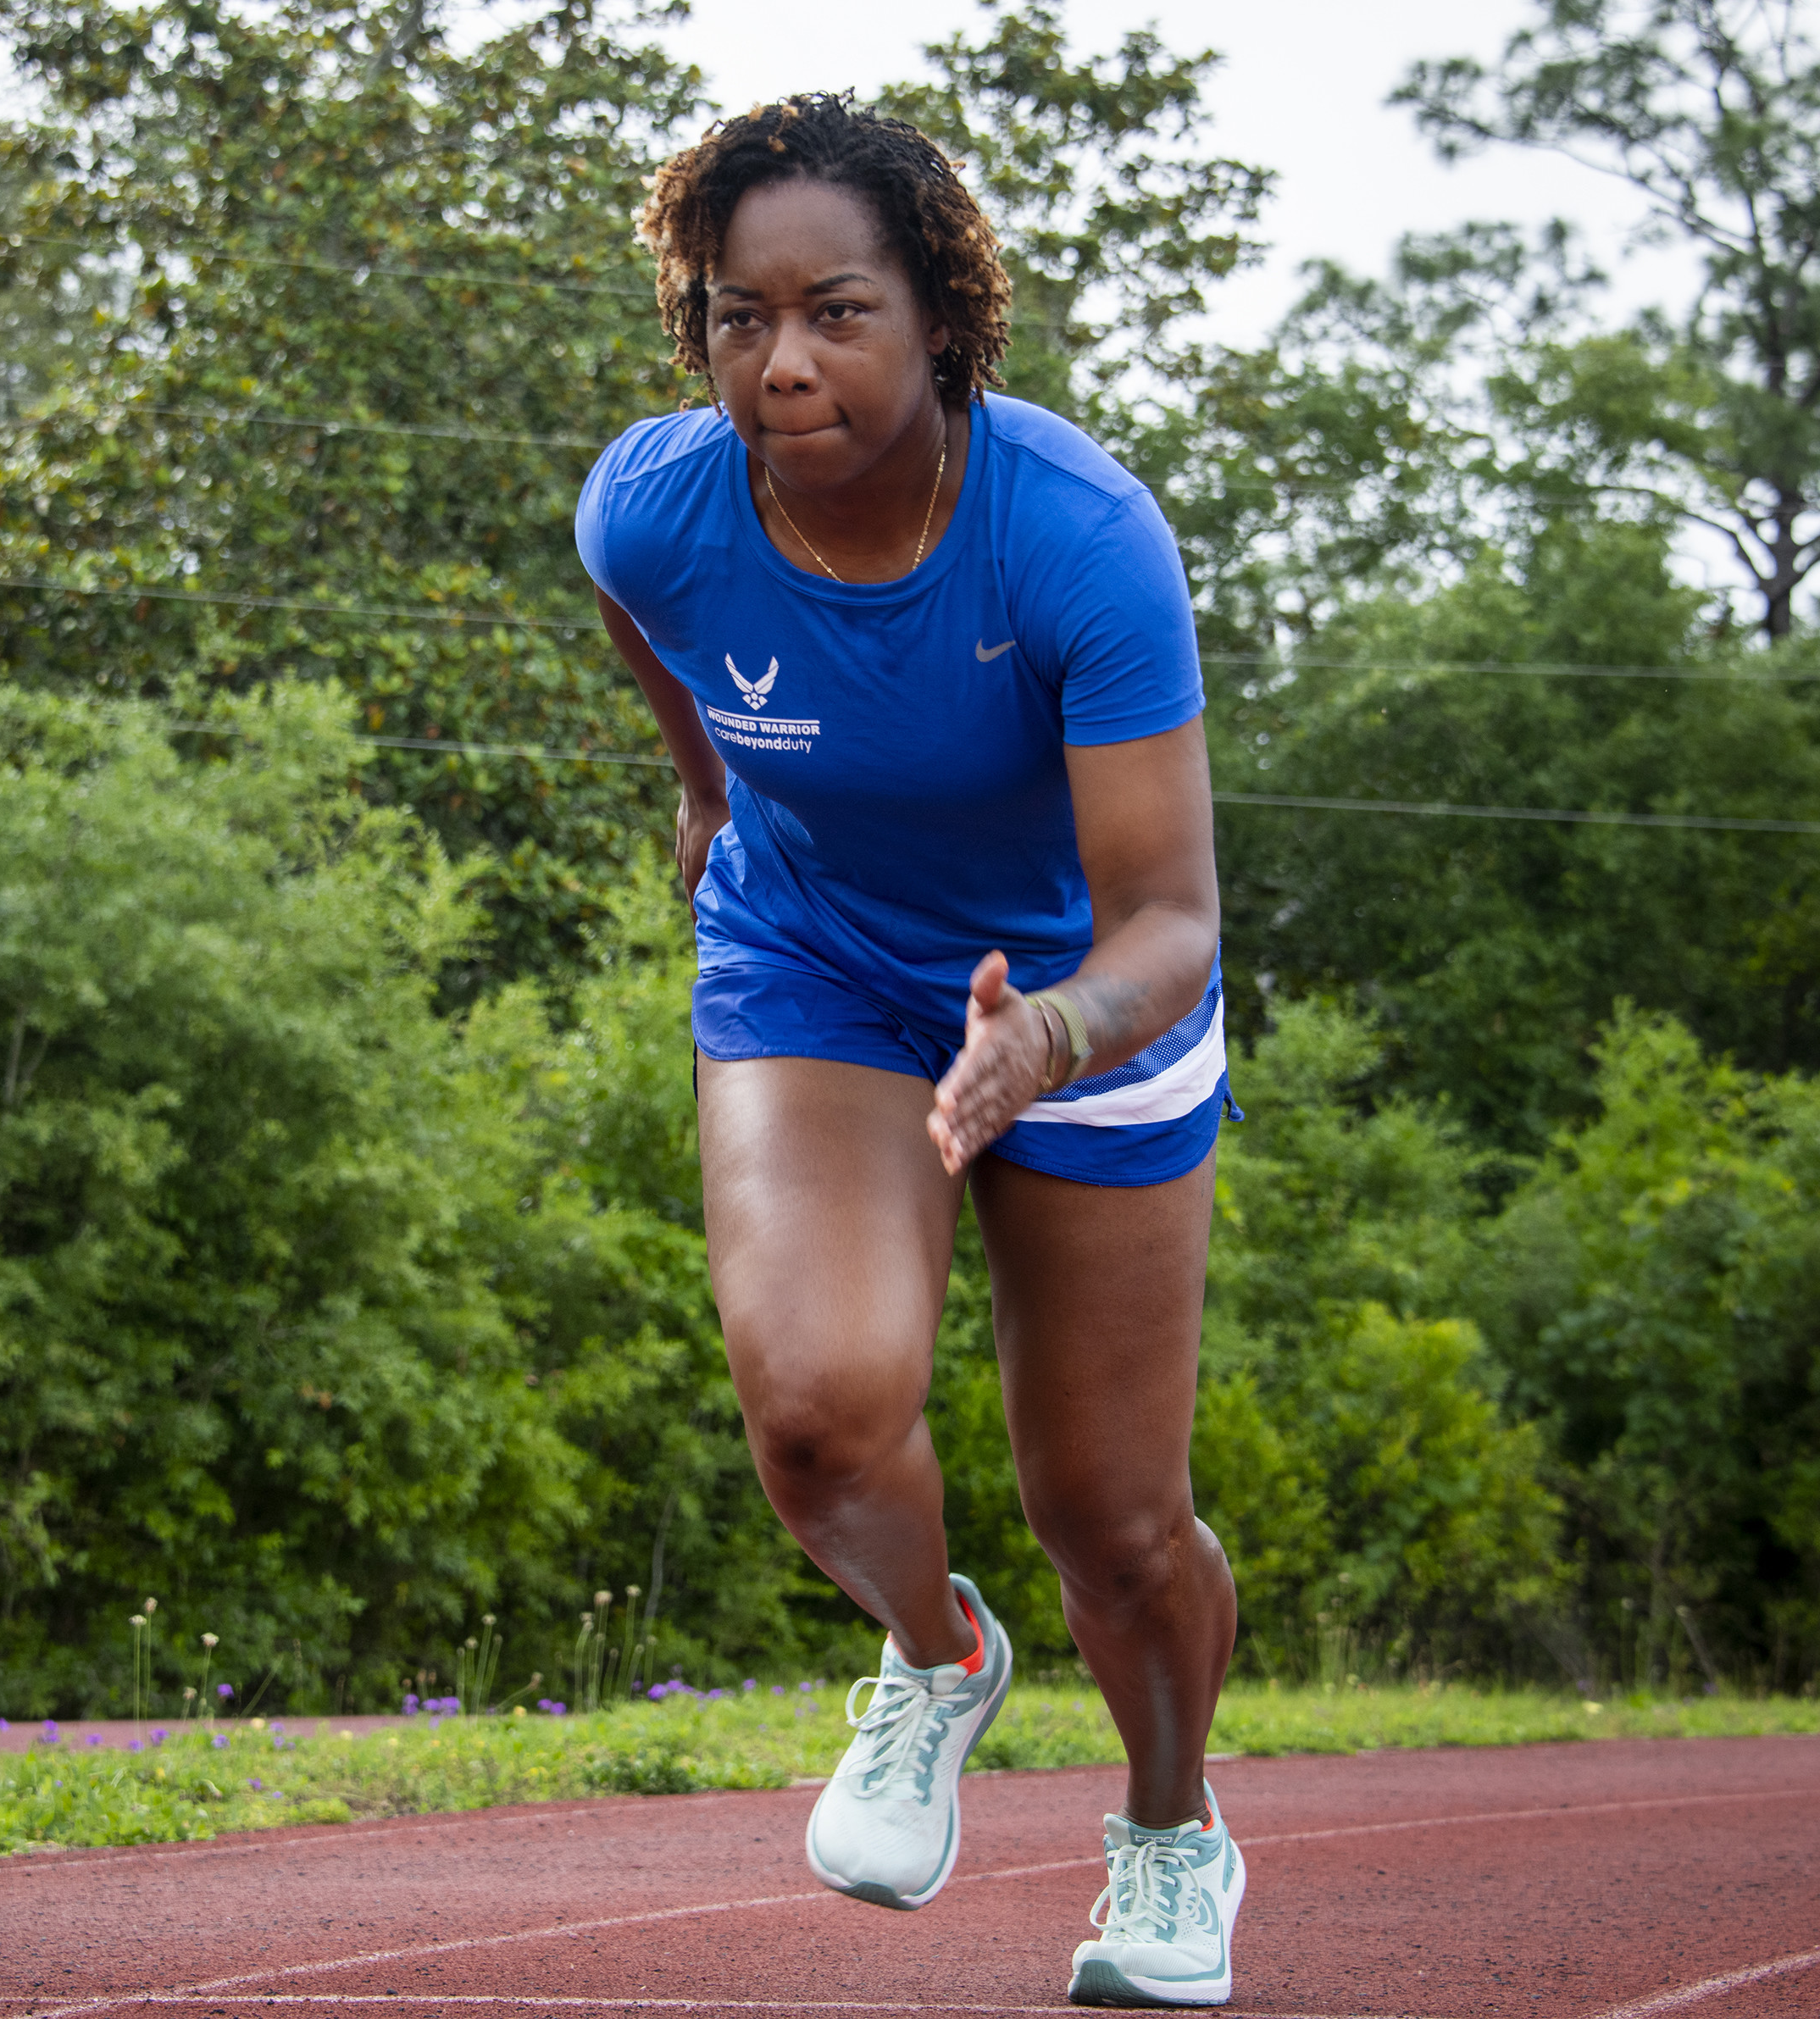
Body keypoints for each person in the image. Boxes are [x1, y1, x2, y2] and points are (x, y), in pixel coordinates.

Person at [574, 97, 1246, 2009]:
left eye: (837, 312)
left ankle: (1173, 1833)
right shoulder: (659, 505)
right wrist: (705, 787)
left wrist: (1052, 1031)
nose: (781, 361)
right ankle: (938, 1658)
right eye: (738, 316)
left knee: (1112, 1519)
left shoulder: (1077, 539)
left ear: (942, 319)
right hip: (816, 962)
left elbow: (1174, 917)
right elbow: (640, 612)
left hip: (1089, 1002)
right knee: (813, 1415)